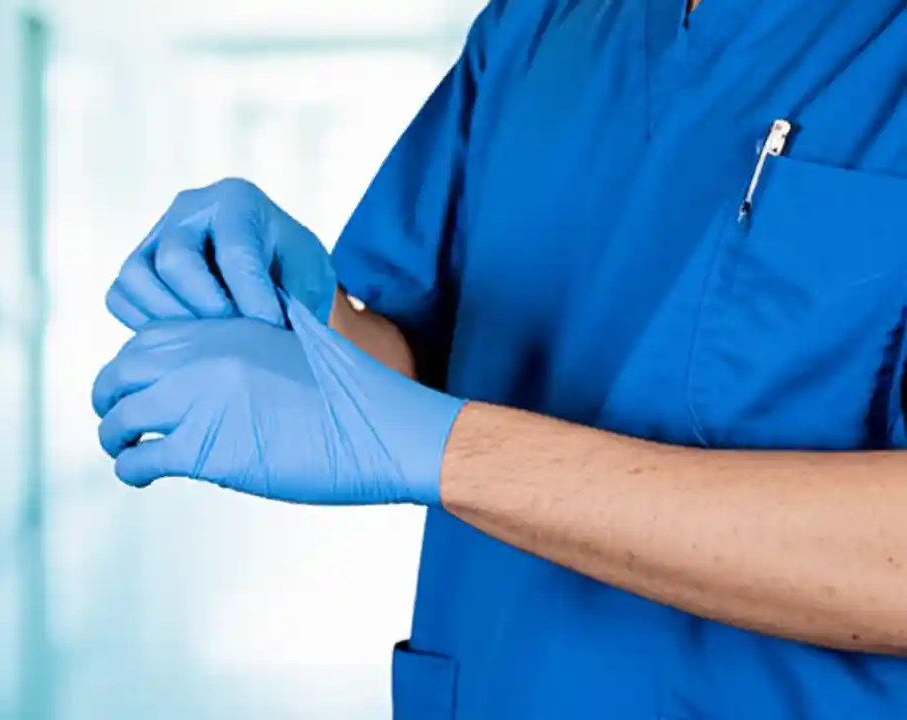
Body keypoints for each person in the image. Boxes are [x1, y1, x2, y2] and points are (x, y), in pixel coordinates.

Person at [92, 0, 907, 716]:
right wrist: (305, 312)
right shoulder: (538, 26)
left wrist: (449, 451)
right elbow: (433, 362)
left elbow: (424, 431)